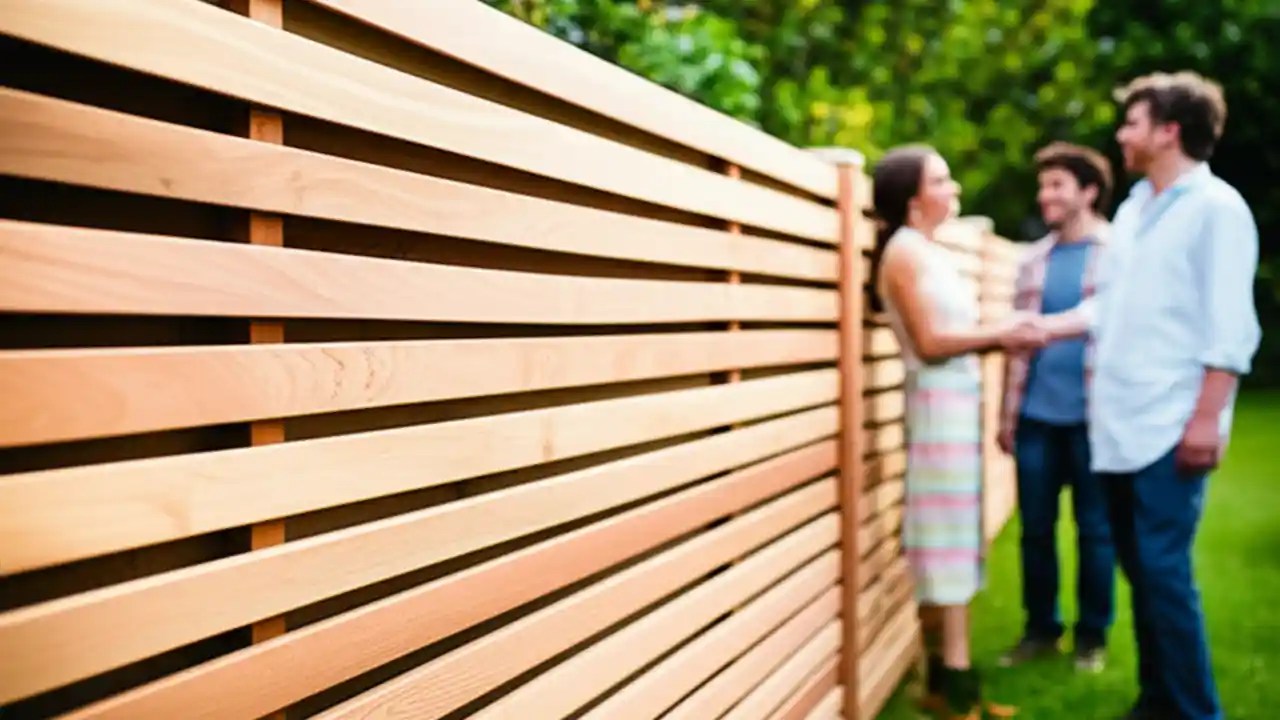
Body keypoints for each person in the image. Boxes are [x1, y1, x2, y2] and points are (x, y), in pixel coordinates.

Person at [1030, 71, 1261, 720]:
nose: (1120, 135)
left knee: (1163, 575)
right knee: (1142, 573)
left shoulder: (1218, 210)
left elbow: (1231, 329)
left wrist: (1206, 421)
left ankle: (1195, 711)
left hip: (1170, 427)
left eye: (1131, 122)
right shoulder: (1133, 209)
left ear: (1168, 131)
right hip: (1119, 427)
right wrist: (1042, 328)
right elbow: (1112, 306)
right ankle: (1159, 701)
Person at [870, 144, 1044, 719]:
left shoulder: (926, 250)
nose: (956, 189)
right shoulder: (903, 253)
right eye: (942, 181)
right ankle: (953, 691)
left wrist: (997, 334)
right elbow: (928, 344)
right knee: (943, 542)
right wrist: (1002, 333)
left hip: (955, 412)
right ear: (913, 198)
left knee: (956, 539)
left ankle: (946, 686)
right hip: (936, 412)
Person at [996, 143, 1116, 673]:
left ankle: (1091, 638)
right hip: (1036, 422)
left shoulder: (1116, 253)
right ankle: (1040, 630)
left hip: (1094, 421)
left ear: (1088, 192)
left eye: (1057, 185)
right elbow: (1016, 346)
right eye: (1043, 185)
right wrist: (1007, 415)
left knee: (1096, 531)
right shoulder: (1031, 261)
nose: (1045, 195)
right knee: (1036, 531)